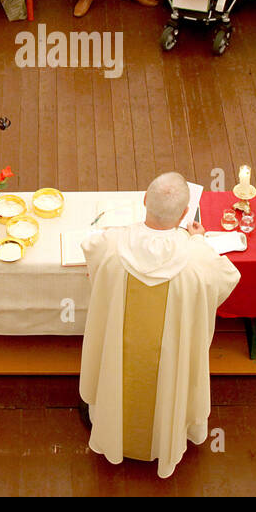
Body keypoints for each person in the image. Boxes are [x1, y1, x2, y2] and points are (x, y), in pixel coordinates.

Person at [78, 171, 240, 479]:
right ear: (183, 214)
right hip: (170, 362)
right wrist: (200, 240)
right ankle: (165, 437)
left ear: (144, 201)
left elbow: (91, 252)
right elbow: (226, 279)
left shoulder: (112, 244)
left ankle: (113, 431)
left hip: (119, 355)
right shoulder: (197, 258)